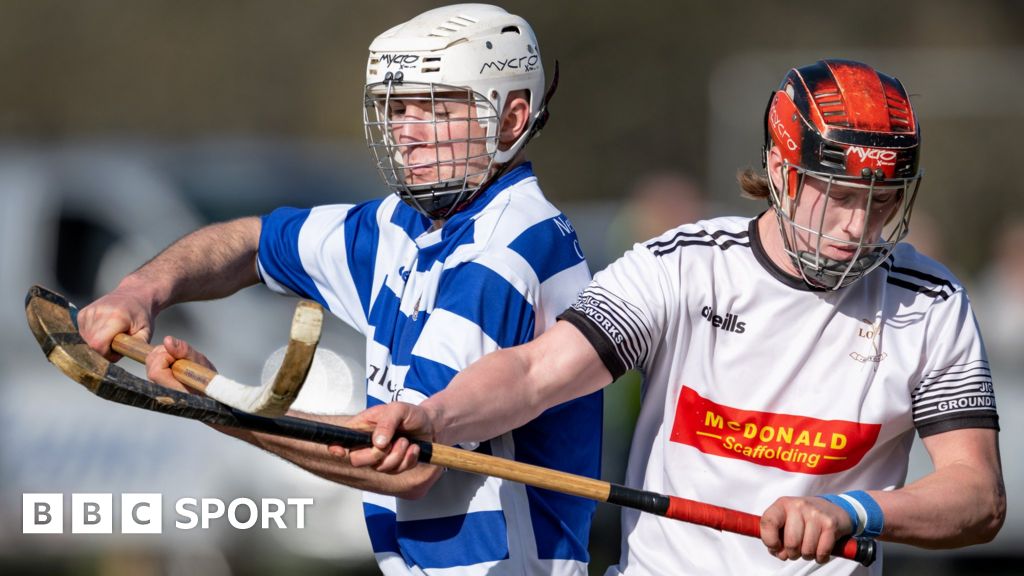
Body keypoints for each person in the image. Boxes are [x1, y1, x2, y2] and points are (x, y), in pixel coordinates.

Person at [345, 59, 1006, 574]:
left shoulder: (932, 303)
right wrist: (433, 416)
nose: (857, 227)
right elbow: (535, 373)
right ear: (781, 169)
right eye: (836, 195)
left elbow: (976, 496)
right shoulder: (684, 265)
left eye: (882, 200)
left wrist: (853, 511)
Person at [78, 4, 602, 575]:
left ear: (510, 118)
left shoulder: (507, 250)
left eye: (435, 107)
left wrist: (216, 406)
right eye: (397, 108)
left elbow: (405, 465)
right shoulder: (399, 227)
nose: (407, 132)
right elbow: (254, 243)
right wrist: (139, 291)